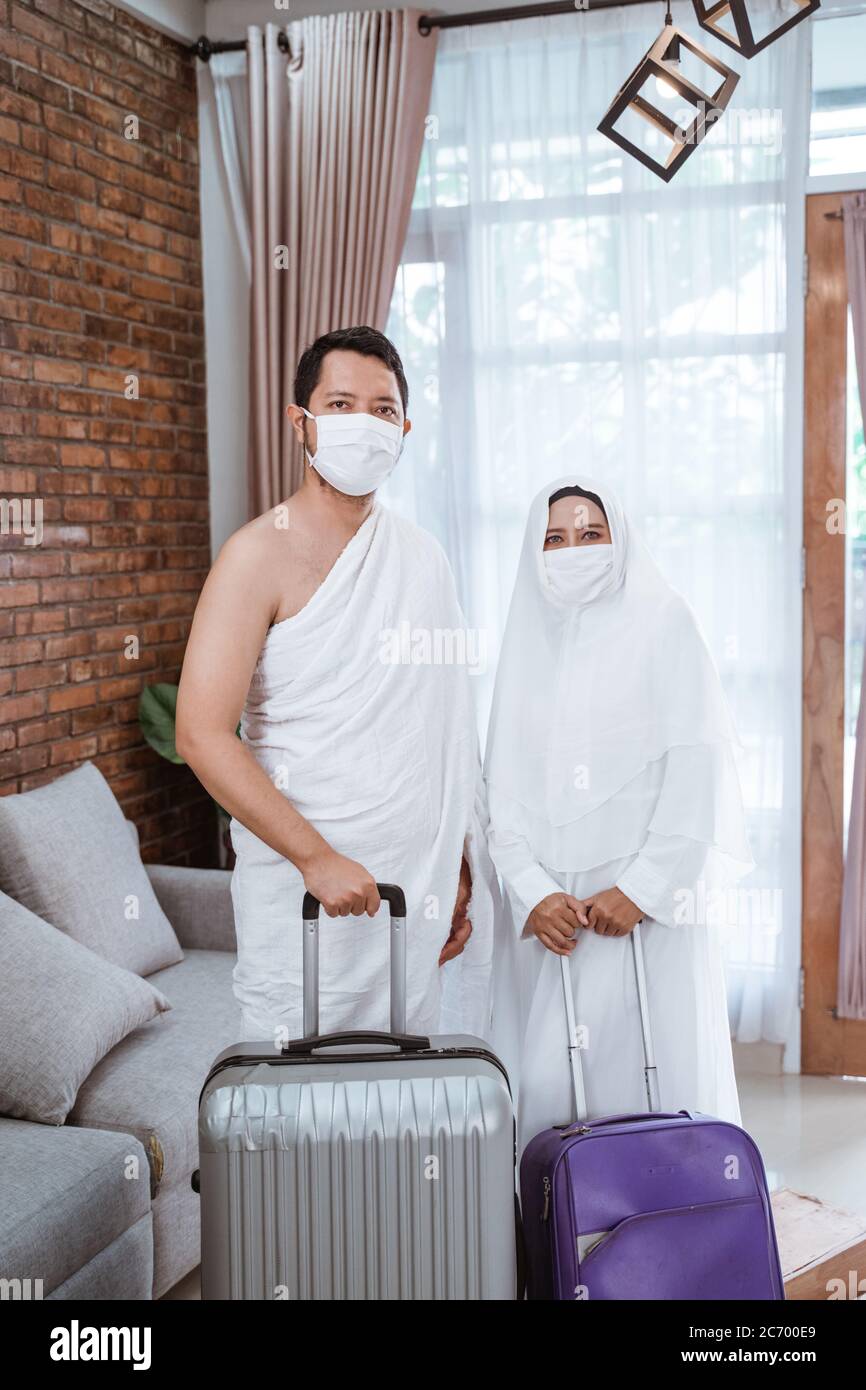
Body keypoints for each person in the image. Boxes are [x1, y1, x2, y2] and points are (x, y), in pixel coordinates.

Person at [176, 326, 495, 1044]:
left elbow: (445, 725)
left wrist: (461, 861)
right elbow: (199, 733)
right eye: (342, 403)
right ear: (302, 422)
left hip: (415, 892)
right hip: (304, 898)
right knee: (297, 1123)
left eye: (382, 410)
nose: (364, 424)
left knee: (396, 1114)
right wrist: (316, 858)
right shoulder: (255, 556)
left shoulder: (423, 557)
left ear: (405, 429)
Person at [485, 475, 754, 1154]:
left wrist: (640, 890)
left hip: (644, 916)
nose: (573, 551)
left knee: (654, 1090)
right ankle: (558, 1246)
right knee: (551, 1089)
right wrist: (534, 891)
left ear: (620, 540)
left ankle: (669, 1246)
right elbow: (500, 793)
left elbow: (700, 768)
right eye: (555, 539)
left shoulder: (666, 623)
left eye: (590, 535)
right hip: (556, 921)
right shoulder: (526, 643)